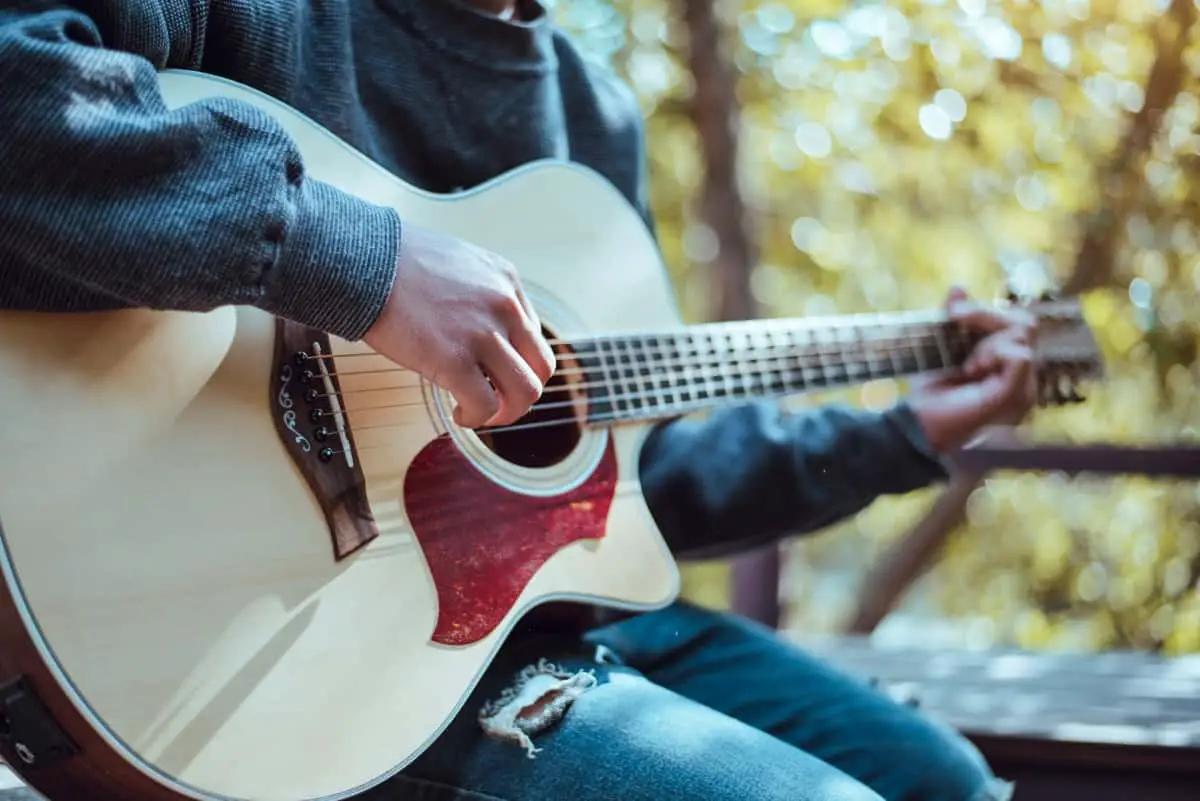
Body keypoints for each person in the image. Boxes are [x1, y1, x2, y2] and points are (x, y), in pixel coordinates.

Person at [0, 1, 1027, 799]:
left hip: (539, 628)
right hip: (303, 674)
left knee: (947, 783)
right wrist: (364, 266)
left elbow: (631, 487)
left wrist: (902, 433)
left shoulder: (593, 115)